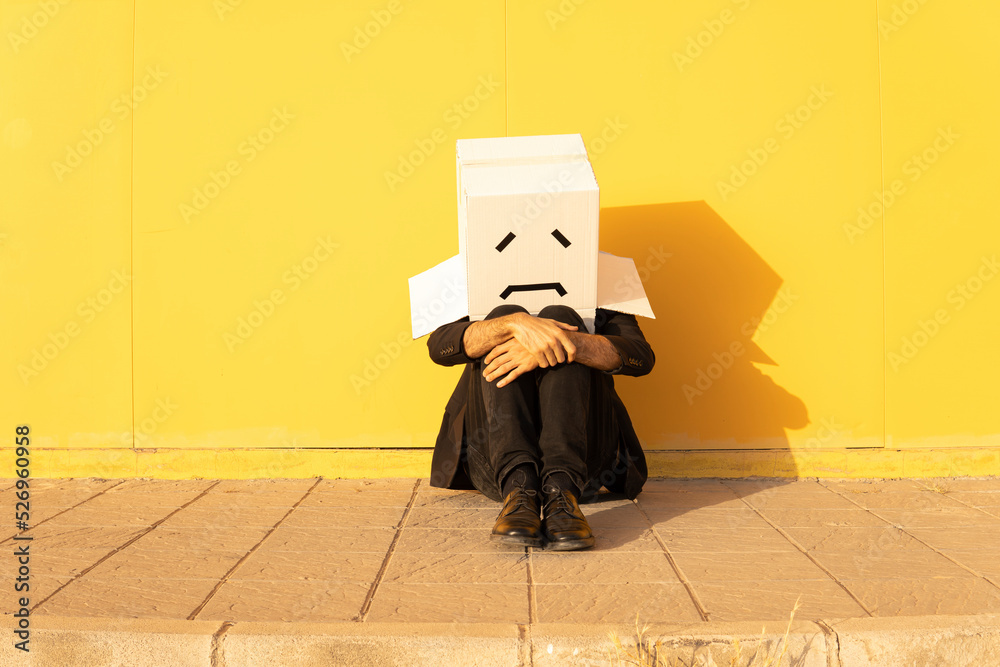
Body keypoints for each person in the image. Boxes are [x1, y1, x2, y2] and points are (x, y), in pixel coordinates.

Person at [426, 302, 654, 551]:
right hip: (492, 463)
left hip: (586, 461)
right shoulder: (475, 271)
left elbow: (640, 356)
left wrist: (566, 341)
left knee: (562, 316)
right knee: (503, 313)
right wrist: (513, 325)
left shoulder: (599, 276)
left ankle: (562, 491)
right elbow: (439, 346)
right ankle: (518, 489)